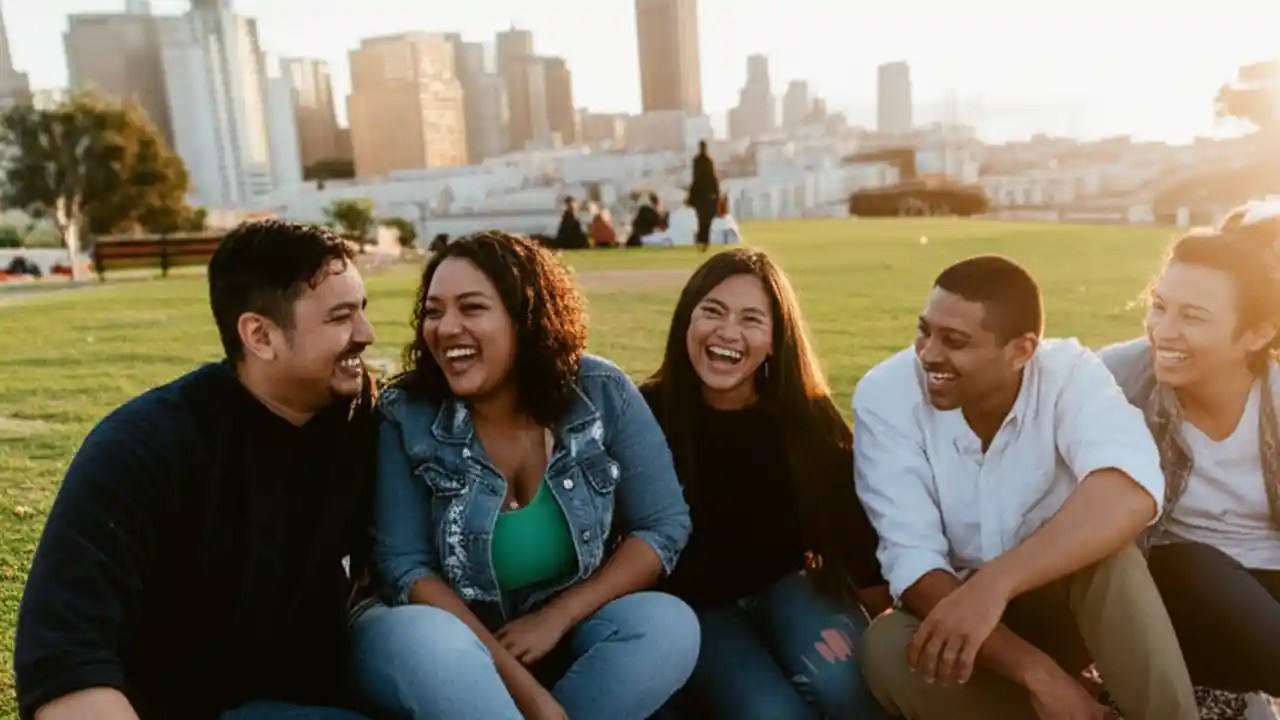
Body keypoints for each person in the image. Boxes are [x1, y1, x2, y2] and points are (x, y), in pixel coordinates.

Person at [14, 220, 378, 720]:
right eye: (341, 318)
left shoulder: (360, 419)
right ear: (260, 335)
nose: (367, 334)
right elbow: (65, 661)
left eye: (363, 310)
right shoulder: (145, 447)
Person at [351, 230, 699, 720]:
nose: (446, 328)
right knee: (434, 646)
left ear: (526, 318)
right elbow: (404, 568)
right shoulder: (404, 414)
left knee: (668, 626)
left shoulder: (601, 392)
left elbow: (662, 526)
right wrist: (530, 699)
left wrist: (557, 617)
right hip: (433, 637)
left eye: (471, 308)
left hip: (555, 631)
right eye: (434, 311)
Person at [853, 255, 1197, 720]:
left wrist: (997, 583)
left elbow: (1129, 490)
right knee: (886, 646)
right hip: (968, 628)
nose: (929, 353)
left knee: (1109, 557)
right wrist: (1039, 673)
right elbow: (911, 560)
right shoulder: (886, 395)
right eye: (925, 331)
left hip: (1061, 606)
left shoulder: (1070, 373)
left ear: (1021, 351)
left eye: (954, 341)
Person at [643, 248, 889, 719]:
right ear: (686, 322)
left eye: (751, 319)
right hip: (698, 610)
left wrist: (885, 607)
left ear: (776, 339)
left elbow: (855, 531)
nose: (728, 333)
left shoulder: (805, 416)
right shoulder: (646, 414)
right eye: (712, 312)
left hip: (789, 588)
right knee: (772, 714)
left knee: (846, 687)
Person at [1101, 224, 1280, 695]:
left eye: (1193, 317)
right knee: (1190, 564)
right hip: (1180, 591)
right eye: (1159, 306)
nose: (1164, 331)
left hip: (1267, 591)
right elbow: (1026, 383)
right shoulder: (1117, 380)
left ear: (1257, 333)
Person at [688, 140, 720, 252]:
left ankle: (703, 239)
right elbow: (709, 177)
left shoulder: (702, 161)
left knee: (704, 219)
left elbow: (699, 178)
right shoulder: (703, 161)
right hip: (703, 195)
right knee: (703, 219)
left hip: (702, 194)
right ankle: (703, 240)